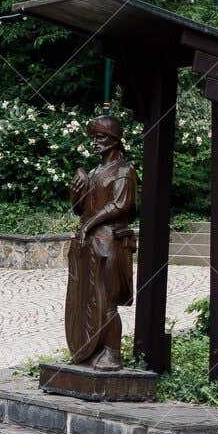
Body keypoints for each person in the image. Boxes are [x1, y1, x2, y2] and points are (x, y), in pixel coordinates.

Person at [65, 113, 139, 371]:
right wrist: (76, 193)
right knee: (88, 299)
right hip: (90, 245)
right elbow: (81, 210)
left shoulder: (124, 171)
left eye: (100, 137)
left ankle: (112, 352)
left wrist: (90, 223)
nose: (94, 142)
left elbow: (120, 205)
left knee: (106, 299)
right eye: (93, 137)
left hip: (111, 243)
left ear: (114, 140)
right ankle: (89, 350)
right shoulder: (95, 172)